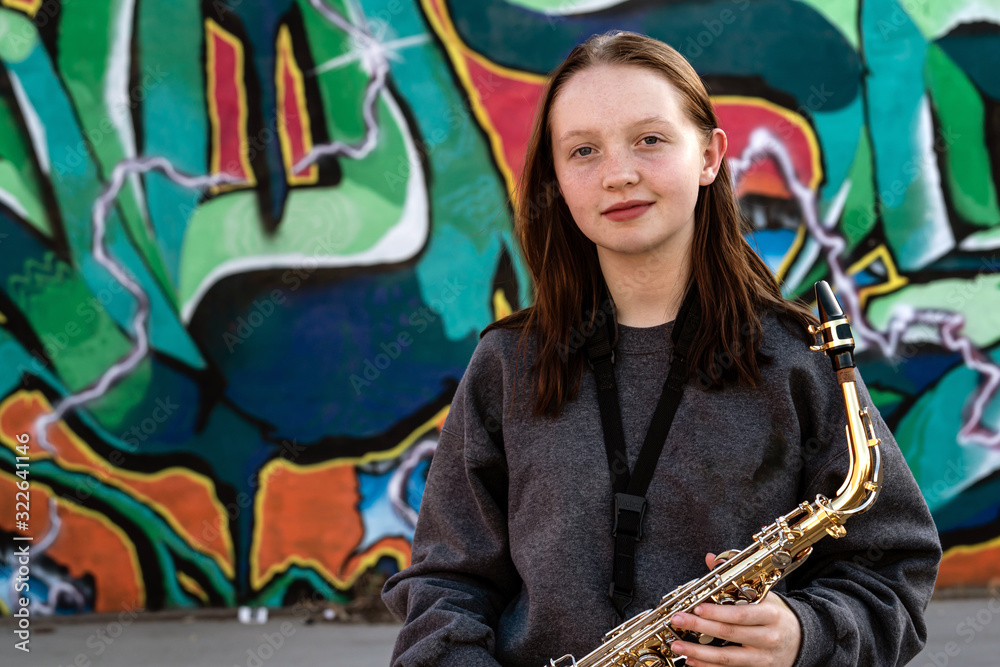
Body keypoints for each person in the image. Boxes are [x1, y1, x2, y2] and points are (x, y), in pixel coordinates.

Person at [382, 30, 941, 667]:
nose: (619, 175)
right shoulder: (509, 364)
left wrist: (806, 636)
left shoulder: (799, 359)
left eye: (649, 139)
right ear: (558, 180)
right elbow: (443, 586)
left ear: (709, 156)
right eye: (583, 151)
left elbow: (894, 570)